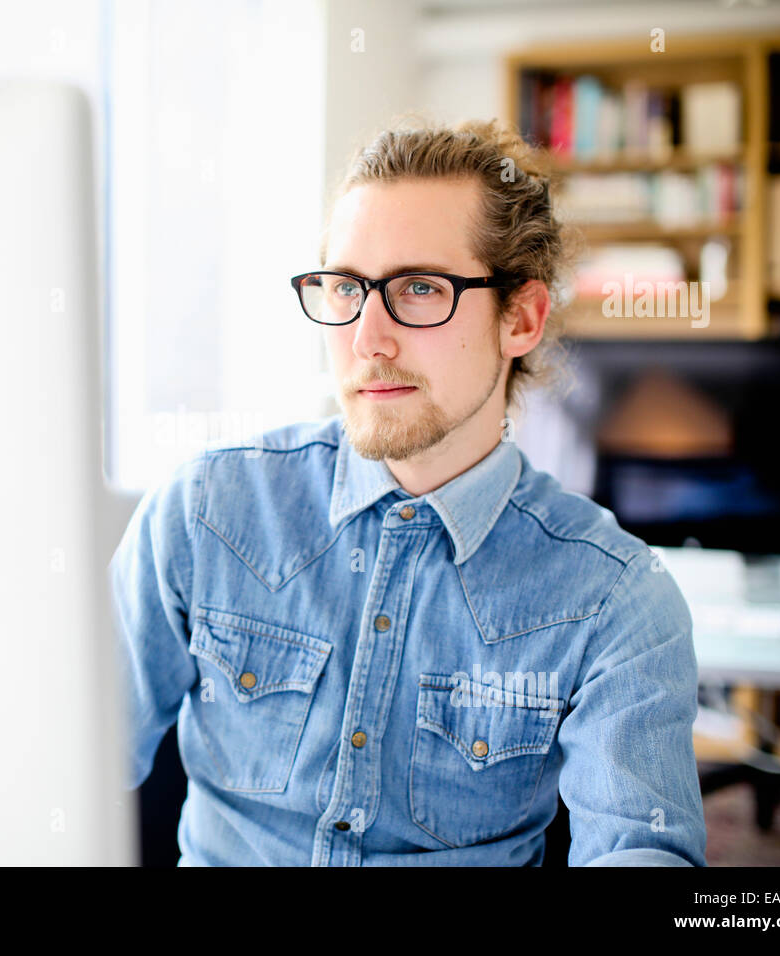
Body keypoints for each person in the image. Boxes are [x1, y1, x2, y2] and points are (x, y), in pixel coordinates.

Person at [109, 116, 707, 866]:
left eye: (419, 289)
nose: (368, 338)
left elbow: (644, 852)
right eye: (346, 288)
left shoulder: (614, 596)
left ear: (521, 316)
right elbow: (61, 772)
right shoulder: (205, 512)